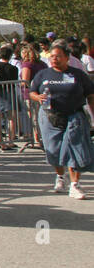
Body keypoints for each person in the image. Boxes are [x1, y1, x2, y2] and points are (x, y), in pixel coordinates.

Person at [29, 41, 94, 199]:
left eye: (58, 56)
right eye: (52, 56)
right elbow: (32, 92)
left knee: (75, 148)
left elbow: (90, 95)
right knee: (53, 150)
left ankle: (75, 185)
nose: (54, 59)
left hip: (74, 115)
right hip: (50, 116)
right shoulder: (43, 74)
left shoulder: (78, 74)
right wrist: (38, 97)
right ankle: (60, 176)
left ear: (67, 58)